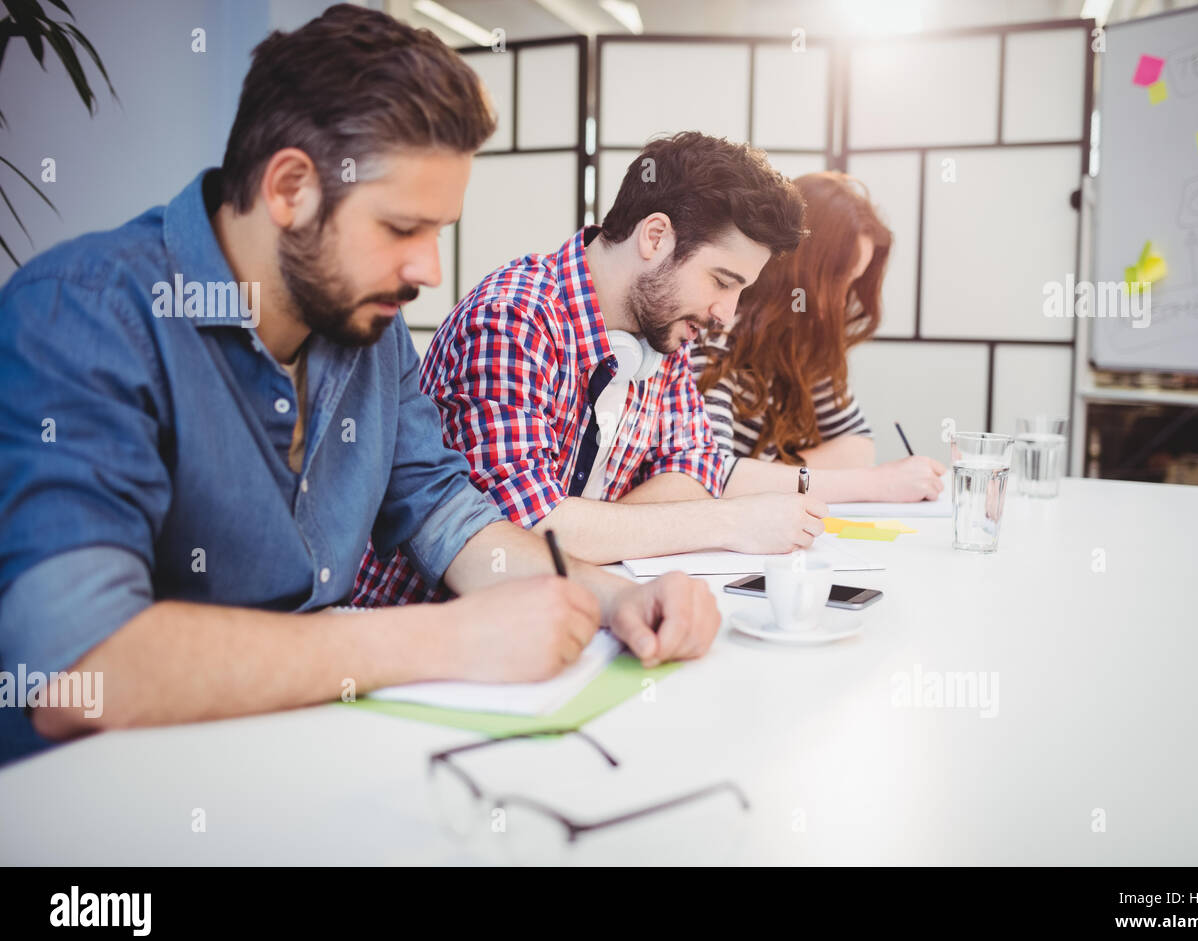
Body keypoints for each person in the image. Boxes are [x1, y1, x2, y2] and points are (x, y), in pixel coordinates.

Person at [0, 5, 717, 763]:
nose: (430, 272)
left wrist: (613, 598)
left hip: (294, 757)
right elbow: (73, 667)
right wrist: (438, 638)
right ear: (289, 188)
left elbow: (452, 520)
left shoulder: (363, 331)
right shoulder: (82, 312)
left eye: (438, 232)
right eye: (402, 228)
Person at [355, 131, 828, 605]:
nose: (726, 311)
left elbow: (694, 470)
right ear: (656, 237)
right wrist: (734, 520)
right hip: (438, 629)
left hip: (575, 608)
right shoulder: (513, 317)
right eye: (722, 282)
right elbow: (525, 531)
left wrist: (588, 529)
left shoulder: (665, 331)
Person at [692, 171, 946, 501]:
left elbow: (857, 446)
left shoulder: (801, 342)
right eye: (839, 280)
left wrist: (763, 473)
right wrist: (877, 484)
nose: (843, 300)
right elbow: (711, 478)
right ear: (800, 269)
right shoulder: (718, 328)